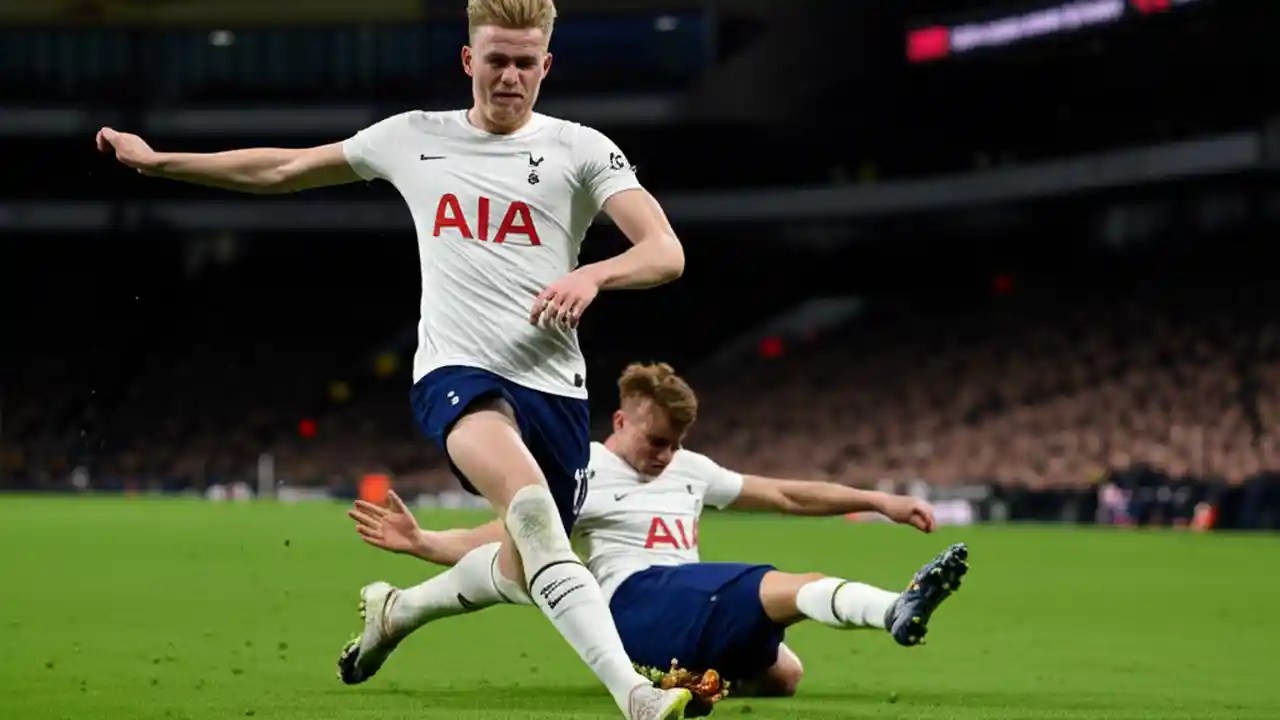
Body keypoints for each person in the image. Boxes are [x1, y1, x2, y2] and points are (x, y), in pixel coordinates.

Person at [96, 1, 694, 717]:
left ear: (546, 66)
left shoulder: (582, 149)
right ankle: (634, 693)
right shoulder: (414, 138)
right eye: (496, 60)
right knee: (534, 519)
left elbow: (665, 251)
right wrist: (160, 162)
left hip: (554, 387)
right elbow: (285, 168)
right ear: (469, 61)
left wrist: (594, 273)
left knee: (523, 564)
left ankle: (399, 612)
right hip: (458, 372)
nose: (510, 77)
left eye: (525, 63)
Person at [346, 362, 970, 702]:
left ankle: (683, 672)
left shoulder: (691, 470)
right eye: (655, 441)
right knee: (784, 586)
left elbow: (783, 493)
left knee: (785, 677)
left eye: (676, 444)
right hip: (631, 601)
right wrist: (425, 541)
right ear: (620, 420)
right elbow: (510, 535)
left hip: (685, 602)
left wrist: (877, 499)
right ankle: (894, 606)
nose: (666, 455)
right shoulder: (580, 466)